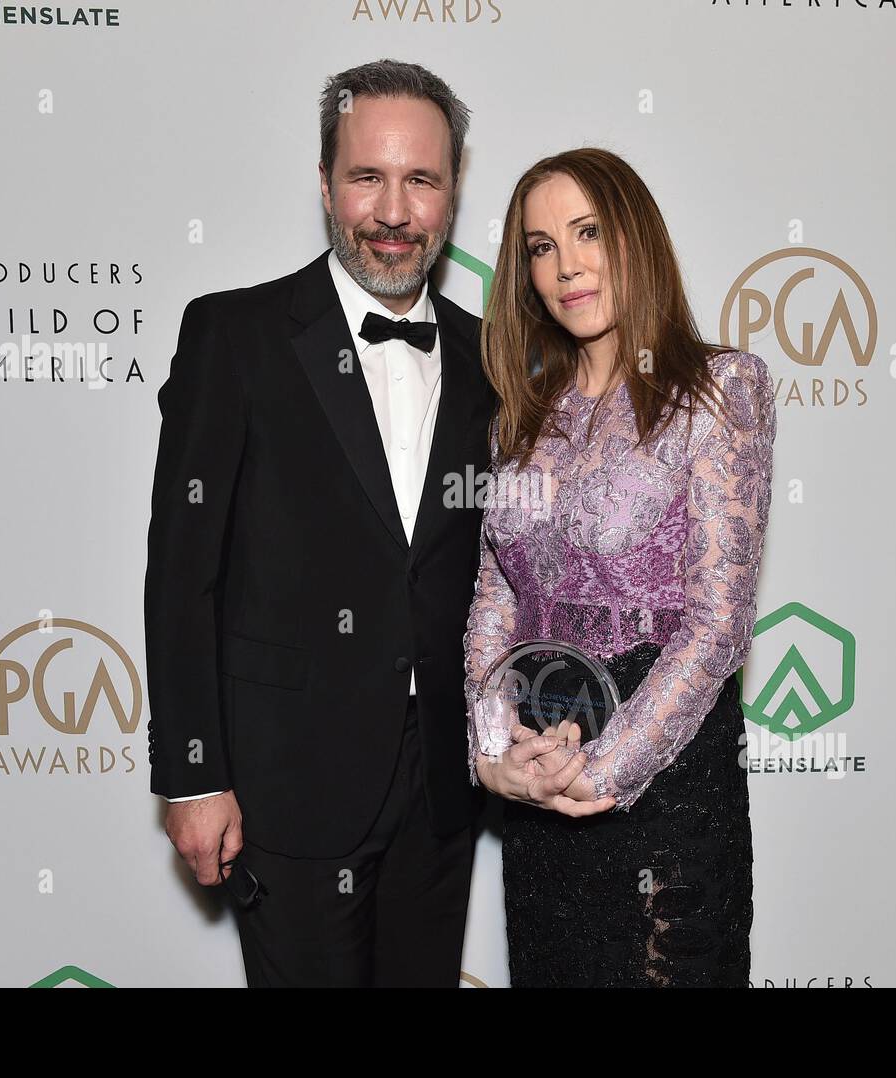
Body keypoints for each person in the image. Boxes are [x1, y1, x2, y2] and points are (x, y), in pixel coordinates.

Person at [143, 58, 545, 987]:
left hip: (443, 788)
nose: (395, 212)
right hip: (286, 784)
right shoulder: (234, 337)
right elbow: (182, 573)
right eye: (368, 177)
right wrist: (194, 777)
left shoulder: (499, 362)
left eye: (422, 180)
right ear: (325, 184)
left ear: (452, 194)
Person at [464, 147, 778, 987]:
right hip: (540, 783)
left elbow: (718, 624)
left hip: (663, 793)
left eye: (587, 232)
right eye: (539, 246)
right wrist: (494, 749)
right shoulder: (522, 416)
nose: (565, 266)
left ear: (634, 236)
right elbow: (497, 590)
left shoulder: (720, 389)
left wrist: (602, 771)